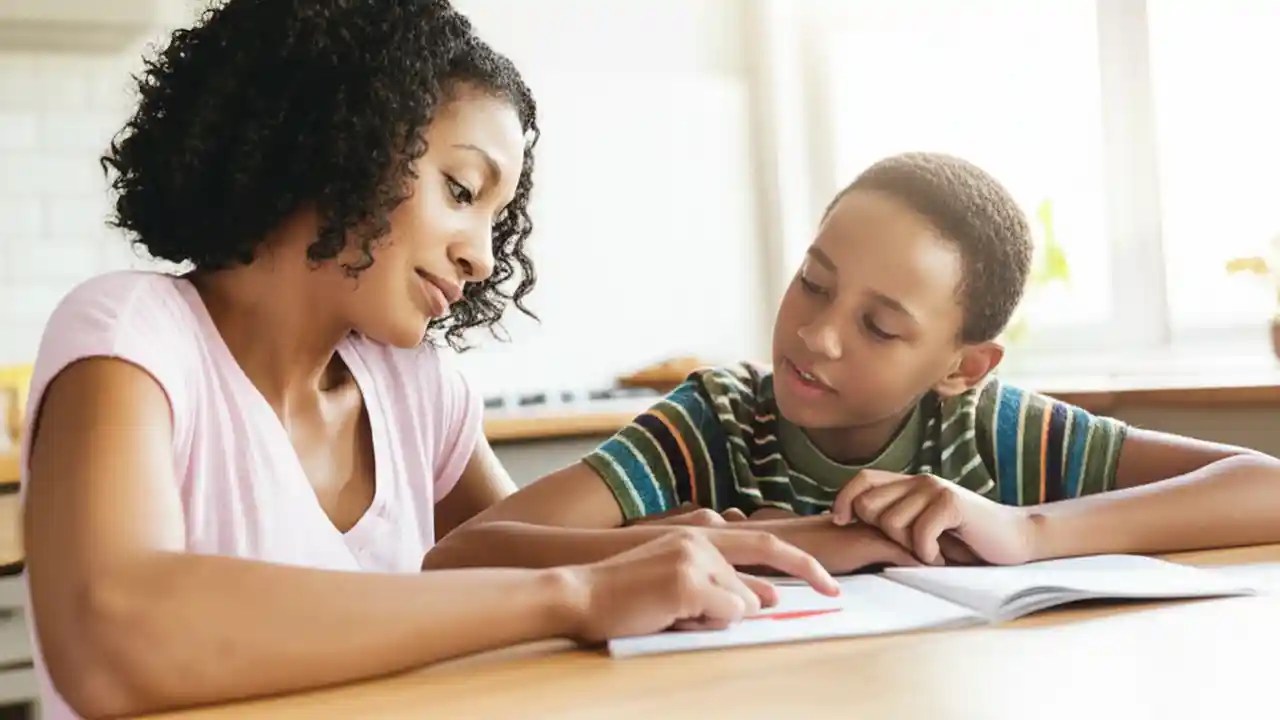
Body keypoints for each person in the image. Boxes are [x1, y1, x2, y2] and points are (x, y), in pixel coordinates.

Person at [19, 2, 836, 718]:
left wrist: (726, 543)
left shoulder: (414, 388)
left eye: (496, 219)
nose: (483, 256)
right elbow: (110, 636)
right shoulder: (134, 339)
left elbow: (493, 555)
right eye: (461, 190)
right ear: (341, 140)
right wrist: (580, 591)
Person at [430, 151, 1280, 572]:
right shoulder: (716, 423)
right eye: (813, 283)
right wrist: (780, 541)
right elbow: (465, 555)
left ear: (963, 367)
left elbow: (1265, 485)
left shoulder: (991, 433)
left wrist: (1027, 531)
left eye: (878, 326)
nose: (819, 335)